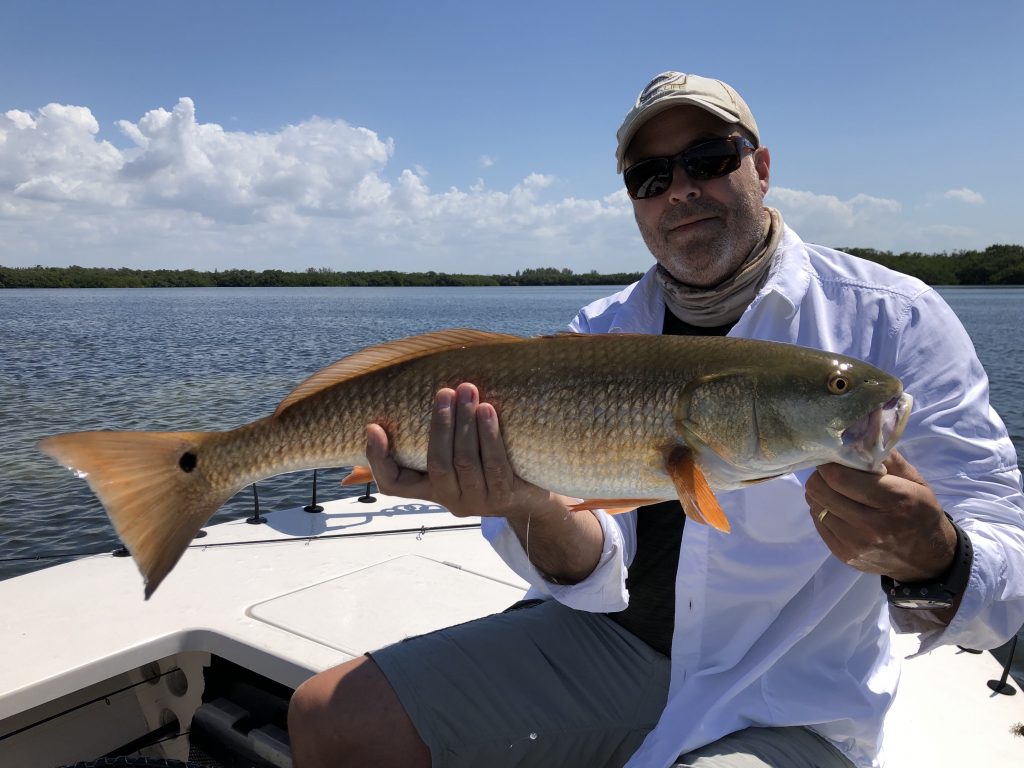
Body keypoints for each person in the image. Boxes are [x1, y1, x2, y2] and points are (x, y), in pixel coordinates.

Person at [287, 72, 1024, 768]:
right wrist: (524, 503)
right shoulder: (596, 334)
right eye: (652, 177)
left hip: (786, 694)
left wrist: (935, 557)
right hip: (609, 647)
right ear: (636, 201)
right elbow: (590, 564)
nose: (682, 190)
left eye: (708, 159)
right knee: (328, 718)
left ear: (760, 167)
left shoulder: (894, 320)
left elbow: (1008, 564)